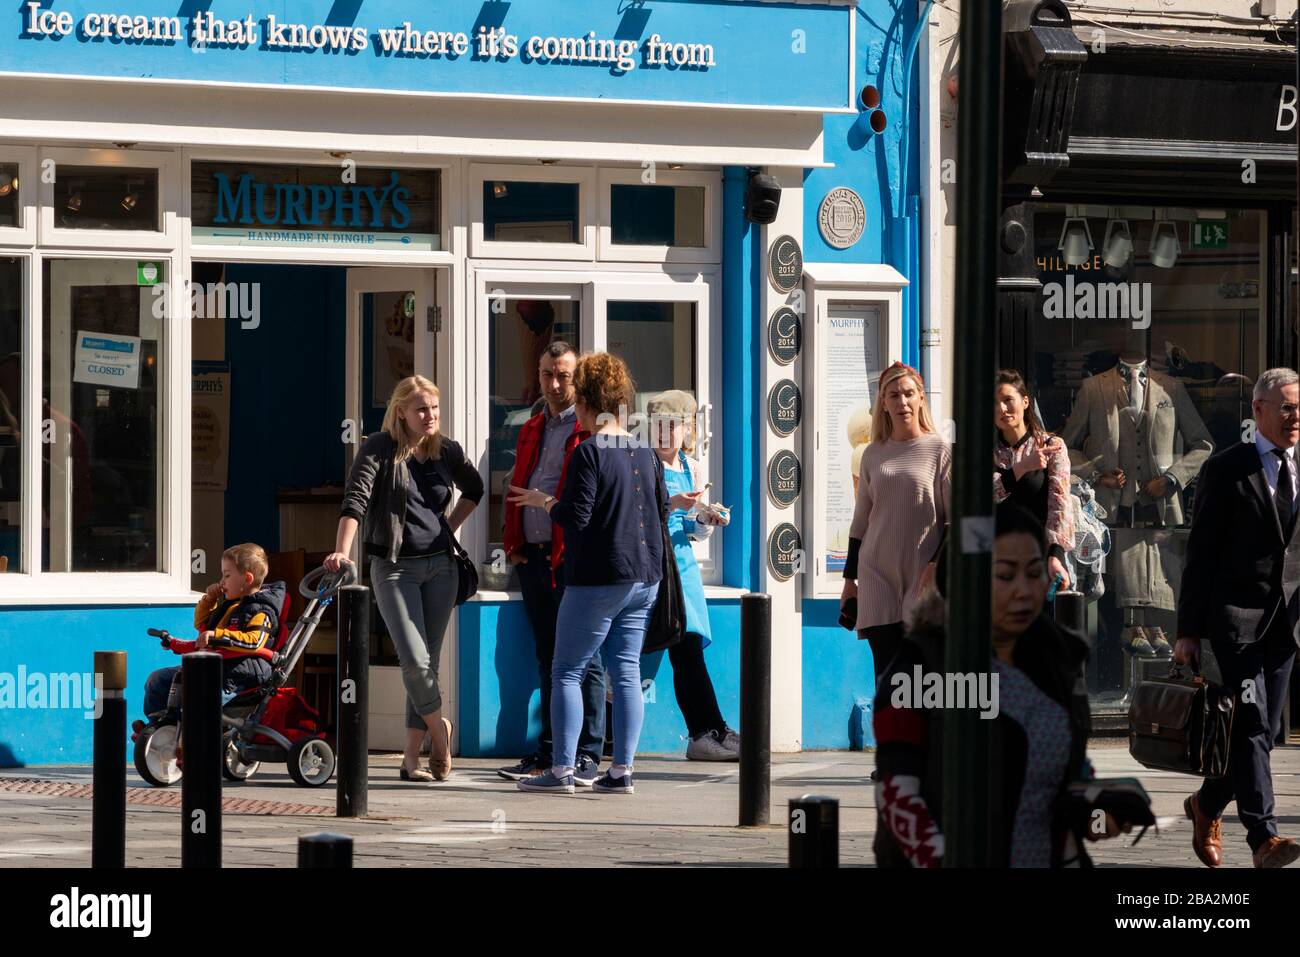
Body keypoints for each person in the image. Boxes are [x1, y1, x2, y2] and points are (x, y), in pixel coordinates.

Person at [874, 504, 1124, 867]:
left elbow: (1069, 773)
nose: (1023, 590)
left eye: (1034, 573)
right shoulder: (922, 665)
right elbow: (898, 792)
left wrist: (1099, 808)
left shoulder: (1059, 657)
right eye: (1005, 575)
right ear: (965, 581)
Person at [508, 352, 664, 795]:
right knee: (627, 671)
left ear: (588, 401)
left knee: (567, 671)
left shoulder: (590, 452)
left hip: (598, 578)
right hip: (644, 577)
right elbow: (661, 508)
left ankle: (560, 771)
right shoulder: (643, 449)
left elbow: (575, 517)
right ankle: (622, 771)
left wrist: (544, 503)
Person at [327, 375, 483, 783]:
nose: (430, 416)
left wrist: (449, 525)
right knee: (414, 660)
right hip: (394, 567)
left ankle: (411, 758)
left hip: (441, 568)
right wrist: (342, 551)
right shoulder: (379, 449)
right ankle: (440, 734)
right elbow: (355, 501)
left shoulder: (446, 450)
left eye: (433, 408)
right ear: (401, 412)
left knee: (426, 662)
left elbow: (475, 488)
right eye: (421, 409)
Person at [1176, 367, 1300, 868]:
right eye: (1286, 407)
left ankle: (1205, 805)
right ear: (1259, 410)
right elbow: (1200, 554)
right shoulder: (1228, 468)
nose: (1295, 417)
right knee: (1249, 725)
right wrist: (1187, 631)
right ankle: (1263, 839)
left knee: (1264, 733)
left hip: (1287, 625)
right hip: (1237, 621)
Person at [496, 341, 606, 785]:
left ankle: (589, 754)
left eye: (563, 375)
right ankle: (550, 751)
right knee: (549, 658)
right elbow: (517, 483)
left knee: (587, 660)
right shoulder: (531, 425)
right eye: (547, 374)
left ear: (577, 378)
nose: (555, 384)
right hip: (534, 557)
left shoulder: (590, 429)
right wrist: (513, 541)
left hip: (573, 559)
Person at [840, 361, 950, 680]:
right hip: (876, 575)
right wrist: (849, 581)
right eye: (893, 395)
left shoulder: (940, 451)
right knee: (887, 677)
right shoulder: (873, 454)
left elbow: (954, 520)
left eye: (908, 394)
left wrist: (936, 565)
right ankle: (890, 732)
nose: (902, 401)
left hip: (922, 575)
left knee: (921, 675)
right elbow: (860, 523)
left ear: (921, 399)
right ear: (883, 405)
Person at [646, 389, 740, 761]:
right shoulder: (642, 464)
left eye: (674, 425)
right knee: (628, 655)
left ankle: (708, 731)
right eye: (660, 425)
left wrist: (705, 518)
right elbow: (637, 516)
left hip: (681, 567)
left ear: (689, 429)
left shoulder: (693, 467)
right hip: (650, 564)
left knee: (688, 649)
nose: (666, 432)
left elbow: (692, 532)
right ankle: (707, 730)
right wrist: (671, 505)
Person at [134, 543, 283, 734]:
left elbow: (255, 640)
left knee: (192, 694)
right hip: (213, 667)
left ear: (246, 579)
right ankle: (160, 726)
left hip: (237, 675)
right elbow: (201, 624)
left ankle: (183, 734)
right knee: (158, 679)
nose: (222, 581)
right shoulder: (230, 605)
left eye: (227, 575)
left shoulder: (262, 610)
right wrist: (209, 601)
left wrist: (217, 636)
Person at [994, 369, 1075, 590]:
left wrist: (1055, 554)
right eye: (995, 403)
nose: (1002, 408)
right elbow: (980, 500)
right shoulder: (986, 452)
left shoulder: (1051, 446)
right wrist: (1022, 468)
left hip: (1037, 557)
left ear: (1025, 401)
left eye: (1008, 400)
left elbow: (1060, 503)